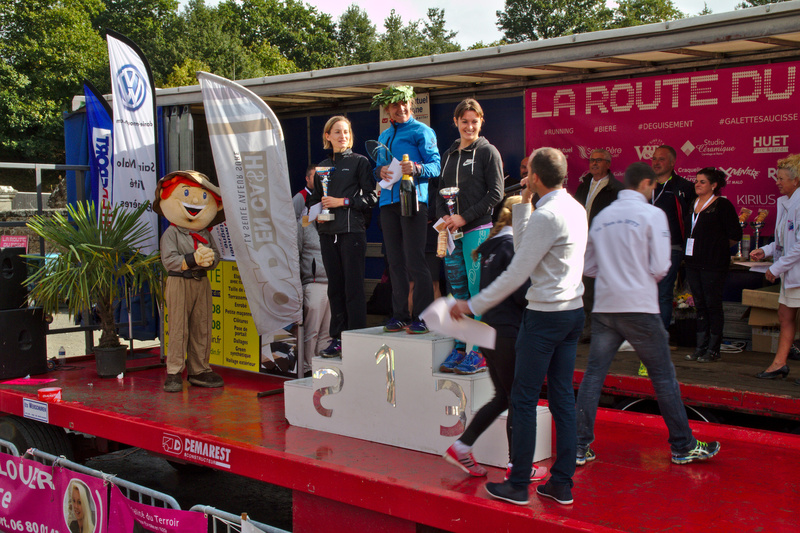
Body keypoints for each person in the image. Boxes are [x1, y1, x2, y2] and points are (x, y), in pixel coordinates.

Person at [451, 147, 586, 506]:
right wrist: (525, 203)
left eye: (528, 174)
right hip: (573, 312)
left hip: (544, 317)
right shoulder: (574, 208)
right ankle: (561, 484)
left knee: (522, 400)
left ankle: (517, 485)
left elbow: (516, 272)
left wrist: (472, 304)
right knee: (562, 401)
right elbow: (526, 245)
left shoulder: (548, 215)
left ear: (536, 177)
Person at [575, 162, 721, 469]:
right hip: (639, 307)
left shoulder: (602, 217)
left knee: (593, 377)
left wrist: (614, 274)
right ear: (645, 184)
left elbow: (587, 267)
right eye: (653, 186)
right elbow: (660, 268)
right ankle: (683, 445)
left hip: (605, 307)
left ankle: (578, 446)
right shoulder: (653, 215)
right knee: (663, 378)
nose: (653, 190)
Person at [444, 196, 548, 483]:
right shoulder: (512, 247)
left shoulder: (491, 248)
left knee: (505, 396)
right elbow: (518, 294)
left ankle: (462, 446)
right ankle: (519, 466)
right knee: (517, 399)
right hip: (509, 333)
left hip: (490, 332)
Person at [436, 98, 504, 374]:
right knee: (457, 292)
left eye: (474, 121)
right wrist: (444, 218)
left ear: (481, 121)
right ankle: (459, 345)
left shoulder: (488, 152)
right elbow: (440, 191)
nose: (469, 126)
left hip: (477, 230)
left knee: (477, 292)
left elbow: (496, 193)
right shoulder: (449, 154)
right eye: (464, 121)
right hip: (452, 233)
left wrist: (465, 217)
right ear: (456, 122)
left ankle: (478, 352)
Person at [372, 85, 440, 335]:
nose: (400, 109)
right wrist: (378, 172)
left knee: (414, 259)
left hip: (413, 200)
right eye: (395, 106)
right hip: (388, 203)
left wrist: (417, 168)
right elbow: (378, 169)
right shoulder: (384, 136)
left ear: (411, 105)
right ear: (387, 109)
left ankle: (422, 317)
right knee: (394, 262)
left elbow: (436, 166)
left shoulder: (422, 131)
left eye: (405, 104)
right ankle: (400, 315)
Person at [308, 116, 377, 357]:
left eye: (346, 132)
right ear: (328, 136)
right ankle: (337, 339)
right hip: (328, 234)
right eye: (337, 132)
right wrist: (316, 214)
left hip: (352, 233)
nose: (342, 136)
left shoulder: (360, 162)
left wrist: (343, 202)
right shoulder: (322, 167)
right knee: (335, 288)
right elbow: (314, 199)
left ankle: (356, 337)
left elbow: (371, 198)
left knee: (353, 288)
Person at [154, 170, 225, 392]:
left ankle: (199, 369)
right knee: (178, 327)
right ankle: (174, 371)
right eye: (186, 193)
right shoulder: (171, 234)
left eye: (204, 197)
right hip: (179, 282)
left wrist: (209, 260)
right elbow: (169, 261)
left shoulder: (205, 233)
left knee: (202, 326)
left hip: (201, 283)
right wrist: (192, 259)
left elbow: (216, 254)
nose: (195, 201)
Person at [683, 167, 742, 363]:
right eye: (696, 181)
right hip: (693, 262)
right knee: (699, 305)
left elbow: (735, 234)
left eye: (702, 182)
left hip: (713, 265)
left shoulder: (722, 205)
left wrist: (716, 248)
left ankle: (714, 349)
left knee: (712, 304)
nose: (697, 184)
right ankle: (700, 347)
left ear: (713, 185)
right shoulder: (693, 203)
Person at [751, 154, 800, 382]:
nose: (777, 182)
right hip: (791, 272)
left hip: (794, 270)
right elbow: (783, 238)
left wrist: (777, 267)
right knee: (784, 314)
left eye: (781, 178)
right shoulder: (784, 202)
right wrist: (767, 251)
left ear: (796, 180)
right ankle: (779, 364)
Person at [574, 149, 624, 343]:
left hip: (604, 246)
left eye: (599, 160)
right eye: (592, 160)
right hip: (581, 243)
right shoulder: (583, 186)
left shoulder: (615, 189)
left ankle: (603, 330)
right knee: (584, 286)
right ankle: (585, 329)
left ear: (608, 164)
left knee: (601, 288)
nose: (594, 163)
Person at [650, 145, 696, 331]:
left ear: (672, 162)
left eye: (661, 159)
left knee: (663, 294)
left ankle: (659, 337)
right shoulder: (645, 185)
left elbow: (692, 219)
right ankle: (645, 336)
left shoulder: (684, 187)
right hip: (645, 248)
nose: (656, 162)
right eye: (654, 159)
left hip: (672, 248)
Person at [297, 205, 331, 373]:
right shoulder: (304, 223)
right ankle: (307, 367)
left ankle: (321, 366)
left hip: (332, 284)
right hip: (313, 282)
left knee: (327, 331)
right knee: (312, 331)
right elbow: (296, 252)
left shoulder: (333, 223)